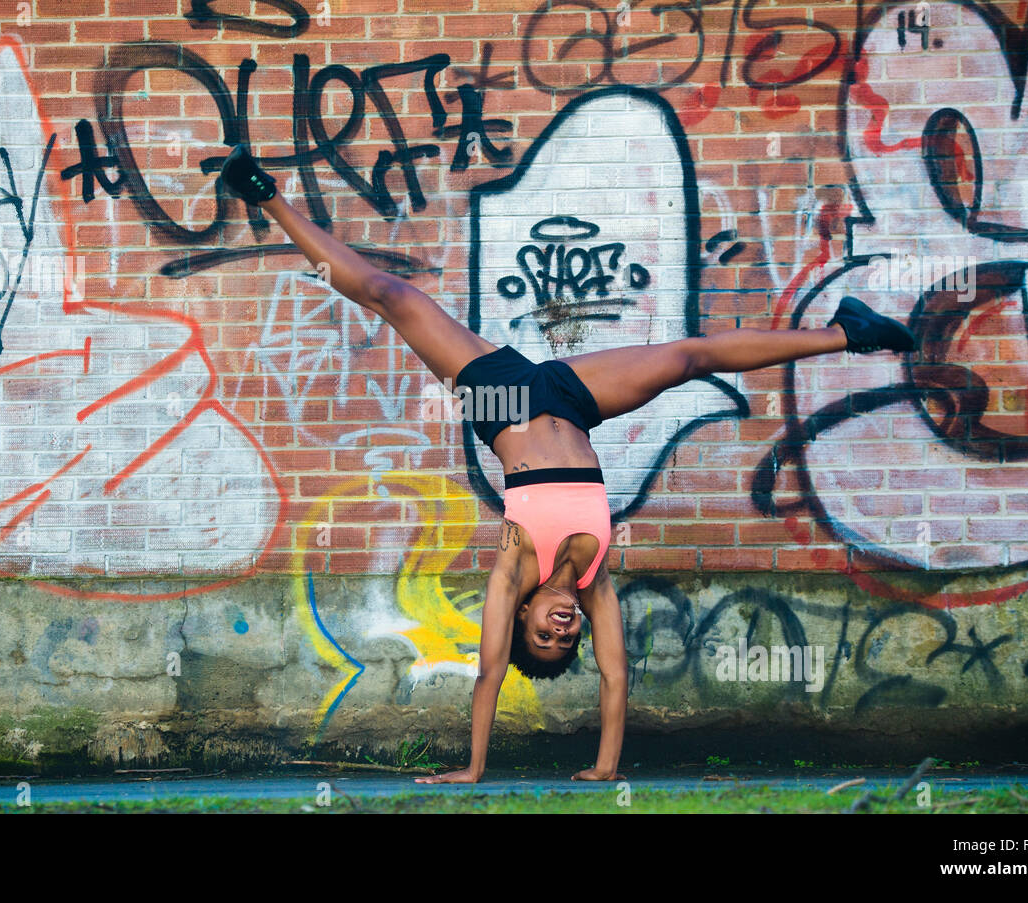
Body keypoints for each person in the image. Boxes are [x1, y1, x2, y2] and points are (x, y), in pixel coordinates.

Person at [219, 144, 916, 784]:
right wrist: (605, 768)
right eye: (566, 638)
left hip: (505, 402)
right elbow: (615, 678)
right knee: (687, 359)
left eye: (543, 637)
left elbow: (489, 673)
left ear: (522, 616)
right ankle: (847, 331)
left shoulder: (513, 569)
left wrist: (472, 768)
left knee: (394, 297)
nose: (562, 629)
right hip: (574, 402)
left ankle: (267, 198)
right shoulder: (595, 582)